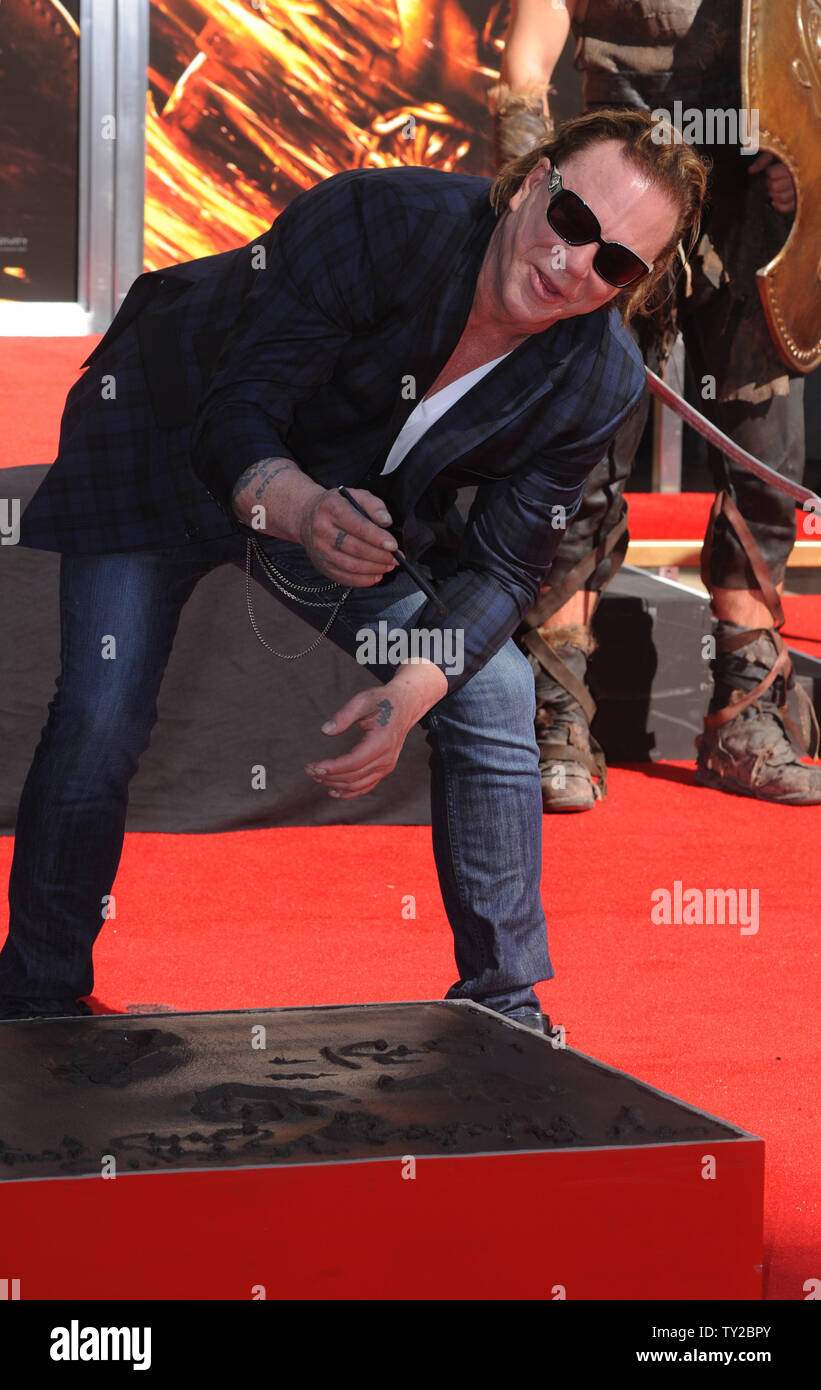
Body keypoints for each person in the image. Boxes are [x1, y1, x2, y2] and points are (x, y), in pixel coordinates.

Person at [0, 110, 705, 1024]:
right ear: (530, 182)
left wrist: (411, 688)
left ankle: (506, 1008)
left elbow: (505, 566)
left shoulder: (595, 376)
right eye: (571, 222)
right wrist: (298, 509)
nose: (575, 266)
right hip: (167, 433)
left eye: (615, 263)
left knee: (483, 687)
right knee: (102, 712)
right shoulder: (377, 219)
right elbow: (237, 406)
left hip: (337, 493)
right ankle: (37, 994)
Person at [491, 0, 819, 809]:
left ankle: (744, 711)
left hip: (749, 211)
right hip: (618, 192)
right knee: (582, 446)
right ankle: (557, 705)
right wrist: (536, 191)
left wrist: (804, 157)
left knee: (763, 458)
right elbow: (526, 65)